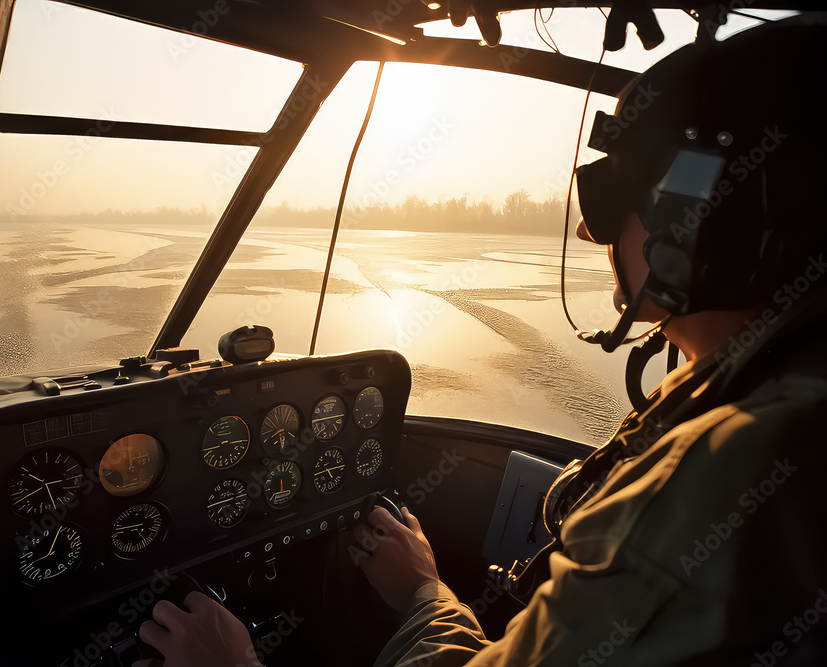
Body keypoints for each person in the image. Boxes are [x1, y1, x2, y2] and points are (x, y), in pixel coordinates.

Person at [132, 14, 827, 667]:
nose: (594, 232)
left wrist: (410, 599)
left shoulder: (729, 471)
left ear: (699, 221)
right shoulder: (762, 386)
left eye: (613, 199)